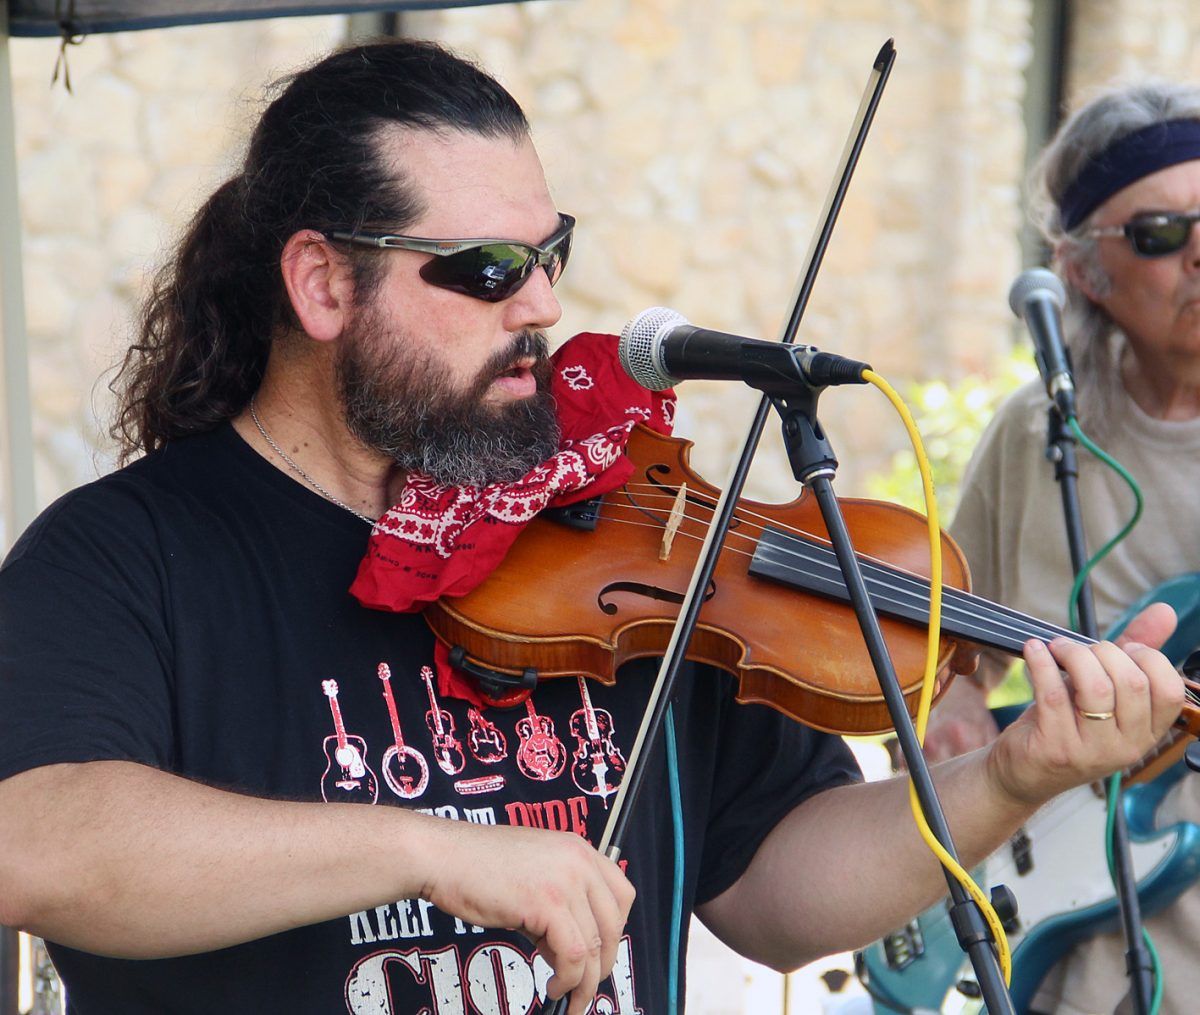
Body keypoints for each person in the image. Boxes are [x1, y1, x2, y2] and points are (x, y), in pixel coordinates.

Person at [0, 40, 1183, 1015]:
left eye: (550, 253)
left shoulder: (615, 538)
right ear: (321, 285)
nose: (545, 306)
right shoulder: (124, 555)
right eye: (487, 268)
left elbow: (779, 890)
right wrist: (430, 847)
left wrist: (1013, 780)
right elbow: (34, 844)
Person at [926, 79, 1200, 1014]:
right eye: (1163, 232)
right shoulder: (1041, 427)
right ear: (1083, 270)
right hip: (1058, 937)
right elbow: (950, 648)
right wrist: (953, 710)